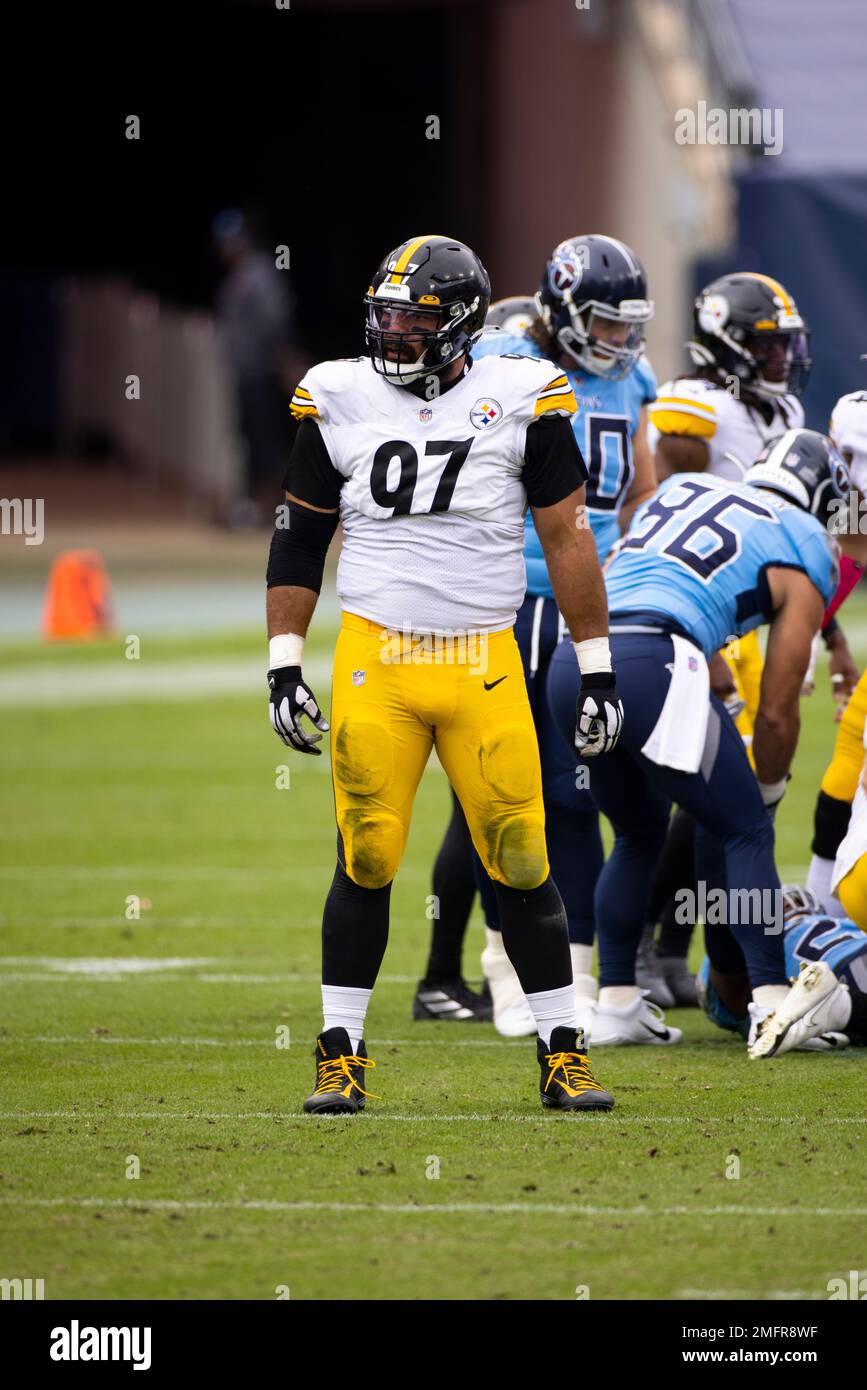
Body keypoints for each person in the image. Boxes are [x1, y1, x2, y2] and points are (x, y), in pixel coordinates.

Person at [266, 233, 622, 1114]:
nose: (391, 335)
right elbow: (299, 535)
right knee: (369, 855)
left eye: (411, 321)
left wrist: (598, 664)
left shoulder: (519, 394)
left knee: (522, 858)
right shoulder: (340, 395)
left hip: (482, 659)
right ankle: (339, 1054)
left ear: (460, 327)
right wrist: (283, 661)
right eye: (384, 318)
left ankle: (561, 1052)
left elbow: (567, 536)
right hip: (375, 658)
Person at [547, 428, 849, 1054]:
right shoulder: (805, 543)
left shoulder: (685, 489)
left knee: (637, 832)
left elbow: (648, 584)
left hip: (573, 660)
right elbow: (779, 705)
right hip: (652, 656)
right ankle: (769, 1000)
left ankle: (618, 1001)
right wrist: (766, 785)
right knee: (745, 826)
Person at [433, 236, 657, 1039]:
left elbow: (639, 490)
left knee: (581, 788)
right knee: (506, 787)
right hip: (507, 596)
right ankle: (504, 967)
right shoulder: (498, 361)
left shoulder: (633, 379)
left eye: (626, 325)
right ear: (561, 312)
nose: (617, 341)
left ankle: (583, 968)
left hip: (593, 600)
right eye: (602, 323)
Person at [697, 885, 866, 1051]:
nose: (786, 905)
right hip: (848, 966)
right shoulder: (843, 922)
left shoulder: (747, 948)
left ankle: (841, 1010)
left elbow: (729, 981)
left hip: (841, 976)